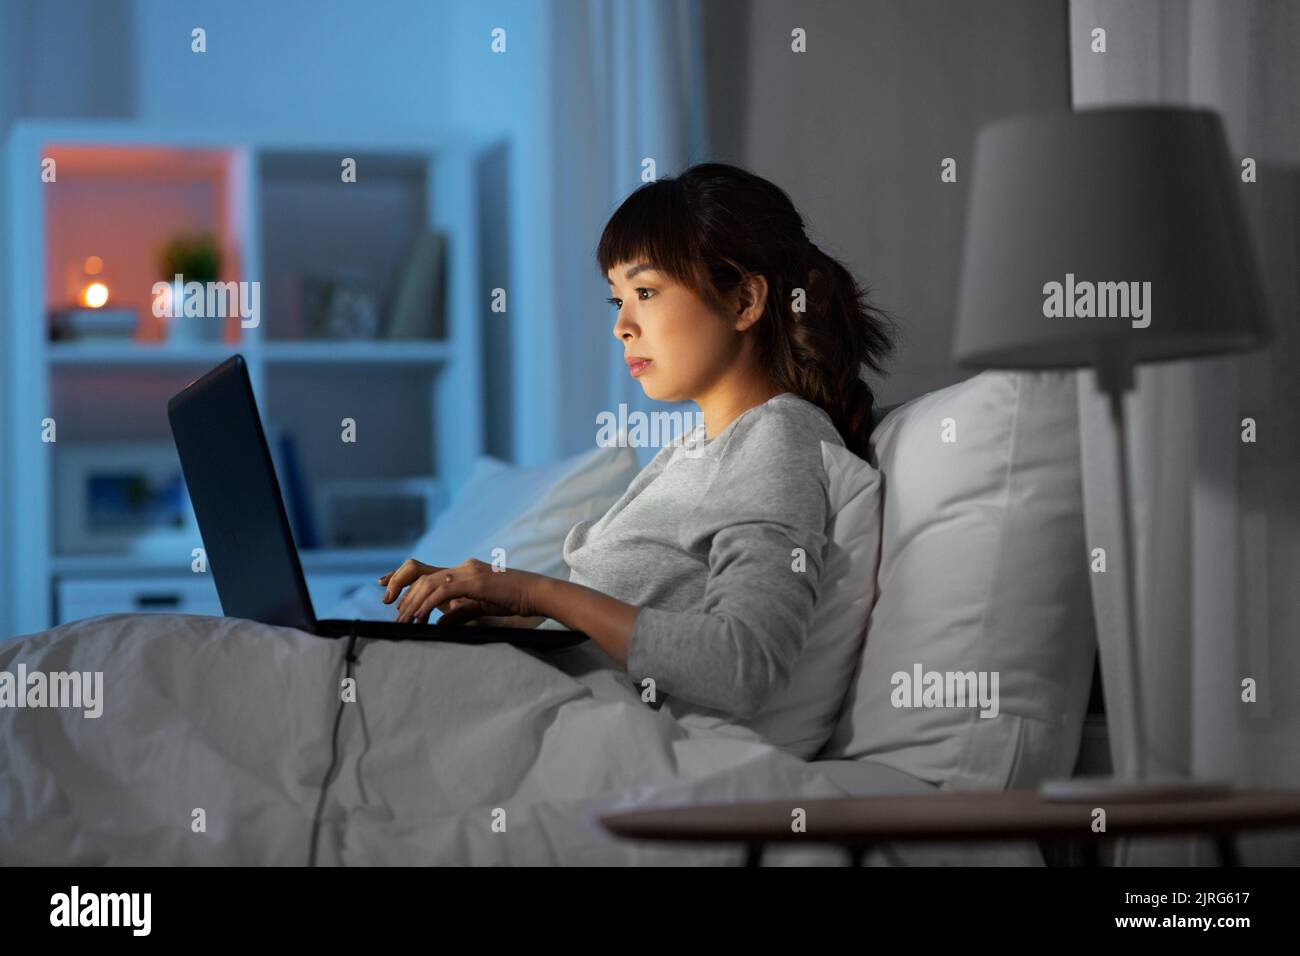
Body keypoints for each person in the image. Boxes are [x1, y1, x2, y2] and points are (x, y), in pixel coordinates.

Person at [378, 161, 896, 723]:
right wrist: (514, 615)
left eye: (645, 291)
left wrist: (535, 593)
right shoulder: (695, 447)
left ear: (745, 300)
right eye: (616, 299)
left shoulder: (779, 437)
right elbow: (645, 616)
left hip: (585, 733)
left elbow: (744, 664)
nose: (621, 326)